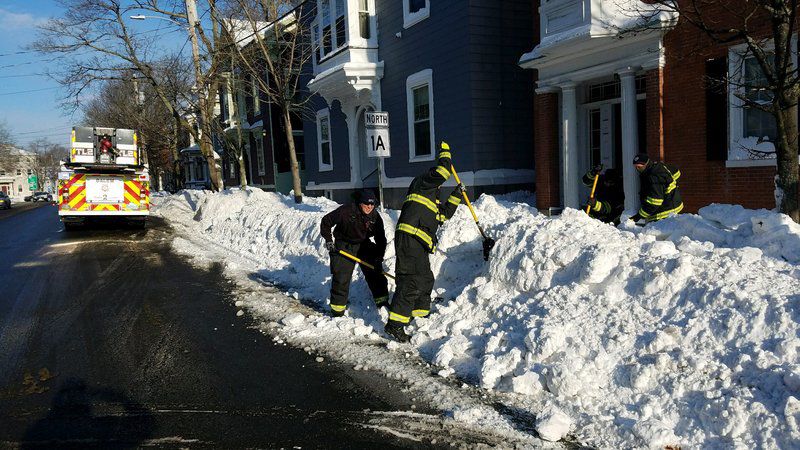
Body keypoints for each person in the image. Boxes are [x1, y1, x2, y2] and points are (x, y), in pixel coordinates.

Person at [385, 142, 464, 342]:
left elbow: (443, 216)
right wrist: (445, 154)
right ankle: (394, 325)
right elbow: (443, 171)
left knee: (426, 278)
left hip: (419, 243)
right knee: (410, 281)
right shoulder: (421, 183)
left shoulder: (431, 198)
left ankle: (420, 314)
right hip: (409, 239)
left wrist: (456, 194)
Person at [320, 189, 388, 317]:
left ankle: (382, 302)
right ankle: (337, 310)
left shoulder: (375, 216)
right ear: (359, 203)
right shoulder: (346, 211)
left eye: (372, 204)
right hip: (344, 244)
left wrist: (379, 257)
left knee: (375, 273)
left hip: (363, 244)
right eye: (366, 204)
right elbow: (326, 222)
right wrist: (329, 240)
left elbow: (380, 238)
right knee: (341, 277)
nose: (369, 207)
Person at [630, 153, 683, 224]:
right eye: (635, 167)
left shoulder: (654, 177)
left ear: (646, 164)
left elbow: (655, 202)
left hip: (664, 215)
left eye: (639, 167)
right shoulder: (659, 166)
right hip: (675, 207)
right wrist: (672, 185)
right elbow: (676, 172)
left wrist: (639, 216)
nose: (637, 169)